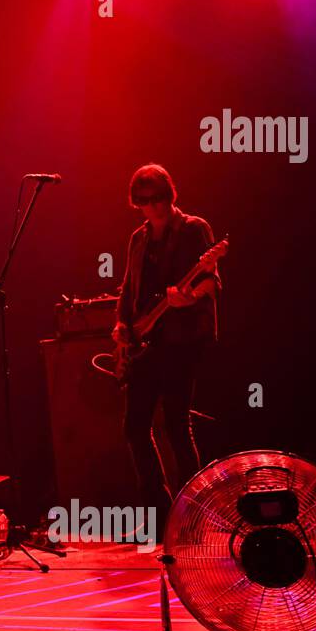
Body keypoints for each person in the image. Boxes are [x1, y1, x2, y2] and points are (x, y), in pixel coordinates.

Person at [112, 165, 220, 534]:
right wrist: (122, 325)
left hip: (182, 340)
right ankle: (160, 513)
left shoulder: (193, 229)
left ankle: (194, 514)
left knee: (176, 425)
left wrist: (185, 298)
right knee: (134, 427)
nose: (152, 206)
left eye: (158, 198)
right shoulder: (137, 239)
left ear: (169, 195)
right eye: (144, 201)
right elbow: (129, 288)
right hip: (146, 343)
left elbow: (210, 281)